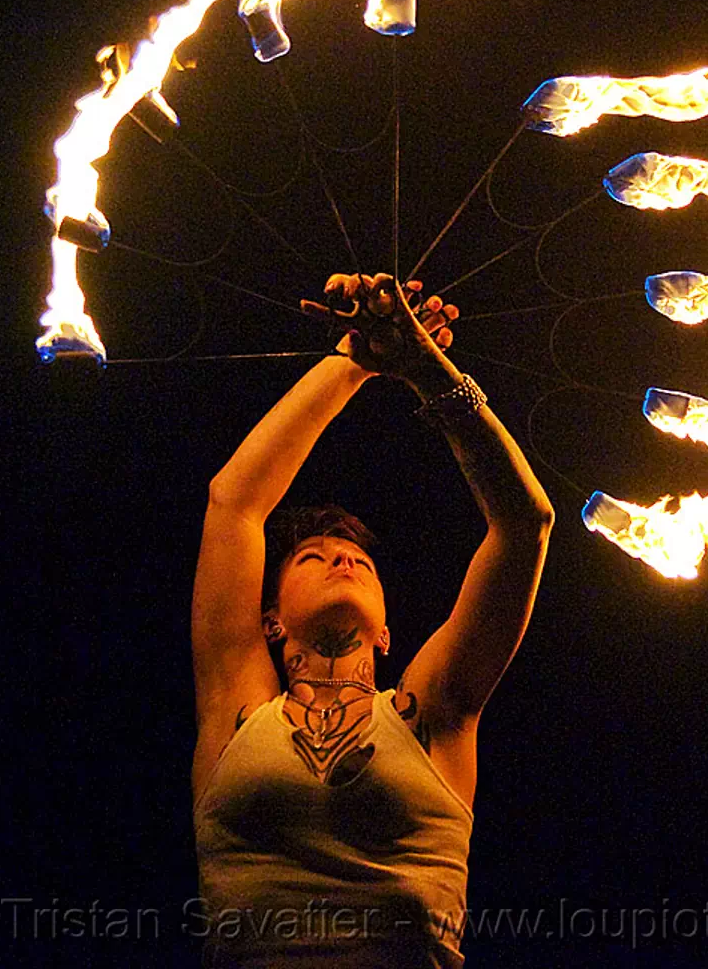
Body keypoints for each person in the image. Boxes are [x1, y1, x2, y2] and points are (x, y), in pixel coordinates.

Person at [192, 272, 554, 967]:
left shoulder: (433, 715)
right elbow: (234, 503)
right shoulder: (234, 708)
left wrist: (425, 367)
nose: (340, 560)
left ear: (388, 631)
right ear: (270, 623)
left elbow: (525, 524)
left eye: (358, 558)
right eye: (312, 557)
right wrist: (351, 359)